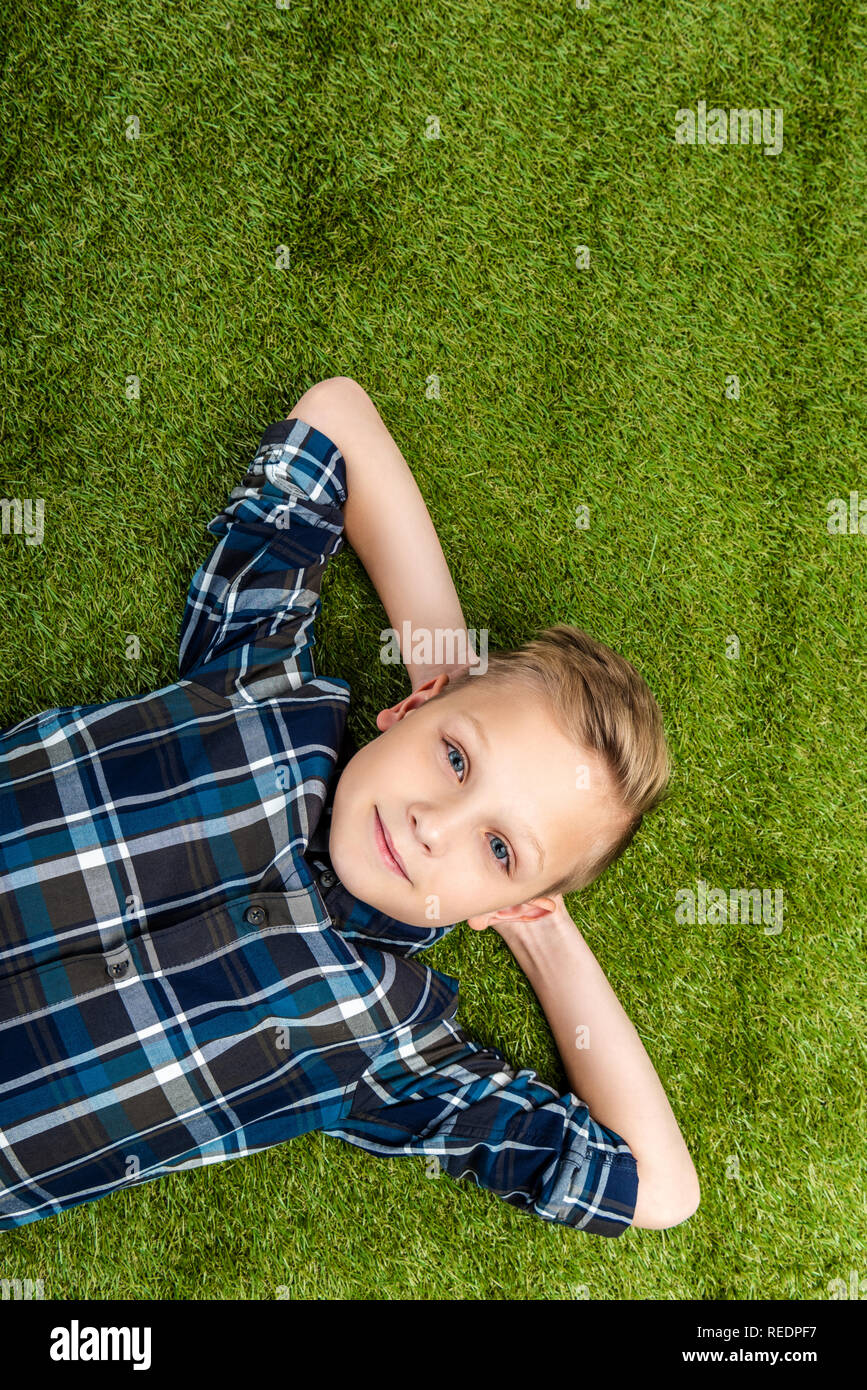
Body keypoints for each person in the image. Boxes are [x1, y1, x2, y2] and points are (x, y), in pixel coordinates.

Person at [0, 376, 699, 1236]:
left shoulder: (389, 1052)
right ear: (408, 707)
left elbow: (659, 1189)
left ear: (514, 901)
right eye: (453, 758)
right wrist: (447, 680)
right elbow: (338, 417)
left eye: (499, 849)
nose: (432, 824)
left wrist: (540, 924)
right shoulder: (259, 683)